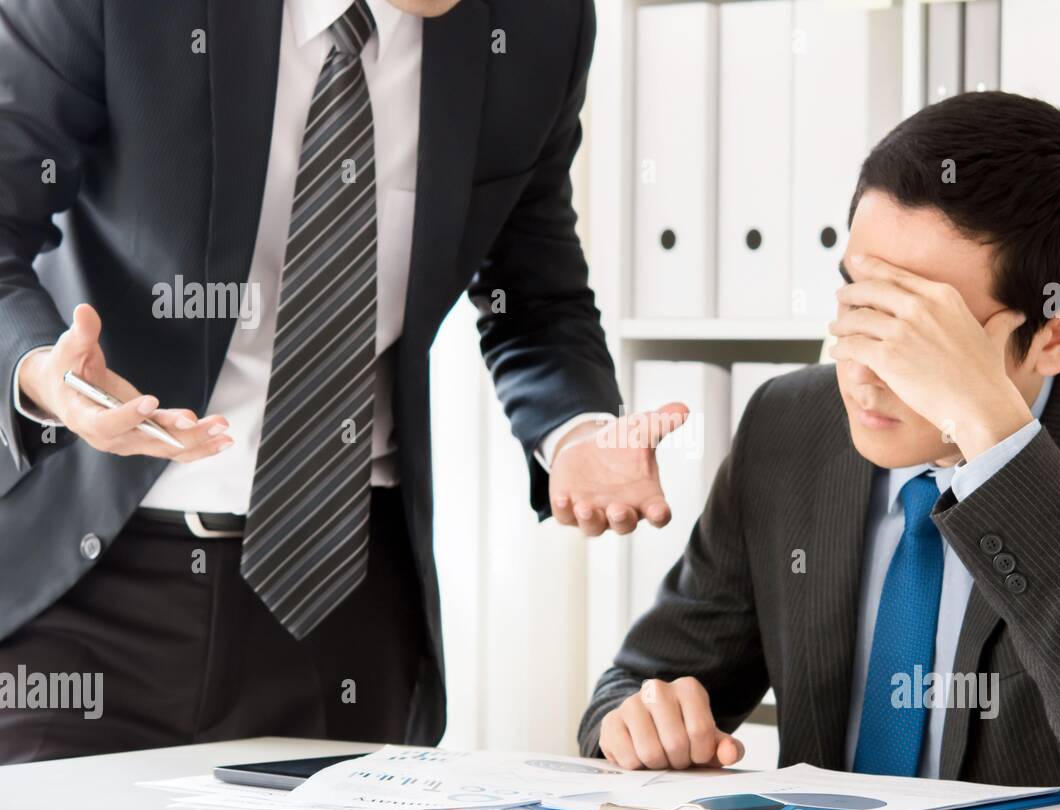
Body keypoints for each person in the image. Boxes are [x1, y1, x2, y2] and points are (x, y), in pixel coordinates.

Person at [0, 0, 681, 763]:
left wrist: (576, 430)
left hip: (343, 602)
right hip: (87, 587)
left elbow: (532, 291)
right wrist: (40, 372)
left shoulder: (537, 27)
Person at [578, 92, 1060, 805]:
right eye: (859, 302)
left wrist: (1000, 448)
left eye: (918, 332)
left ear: (1058, 334)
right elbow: (641, 682)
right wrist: (638, 720)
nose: (862, 370)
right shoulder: (787, 425)